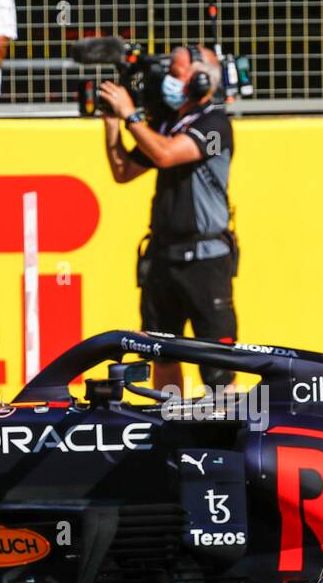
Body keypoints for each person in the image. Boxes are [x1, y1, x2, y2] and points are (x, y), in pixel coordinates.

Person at [99, 45, 237, 391]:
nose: (168, 81)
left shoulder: (215, 126)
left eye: (176, 74)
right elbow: (123, 171)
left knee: (218, 368)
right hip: (162, 257)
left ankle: (229, 424)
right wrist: (112, 123)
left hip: (205, 261)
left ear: (201, 80)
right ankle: (168, 420)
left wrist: (131, 115)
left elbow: (165, 154)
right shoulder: (168, 124)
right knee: (161, 356)